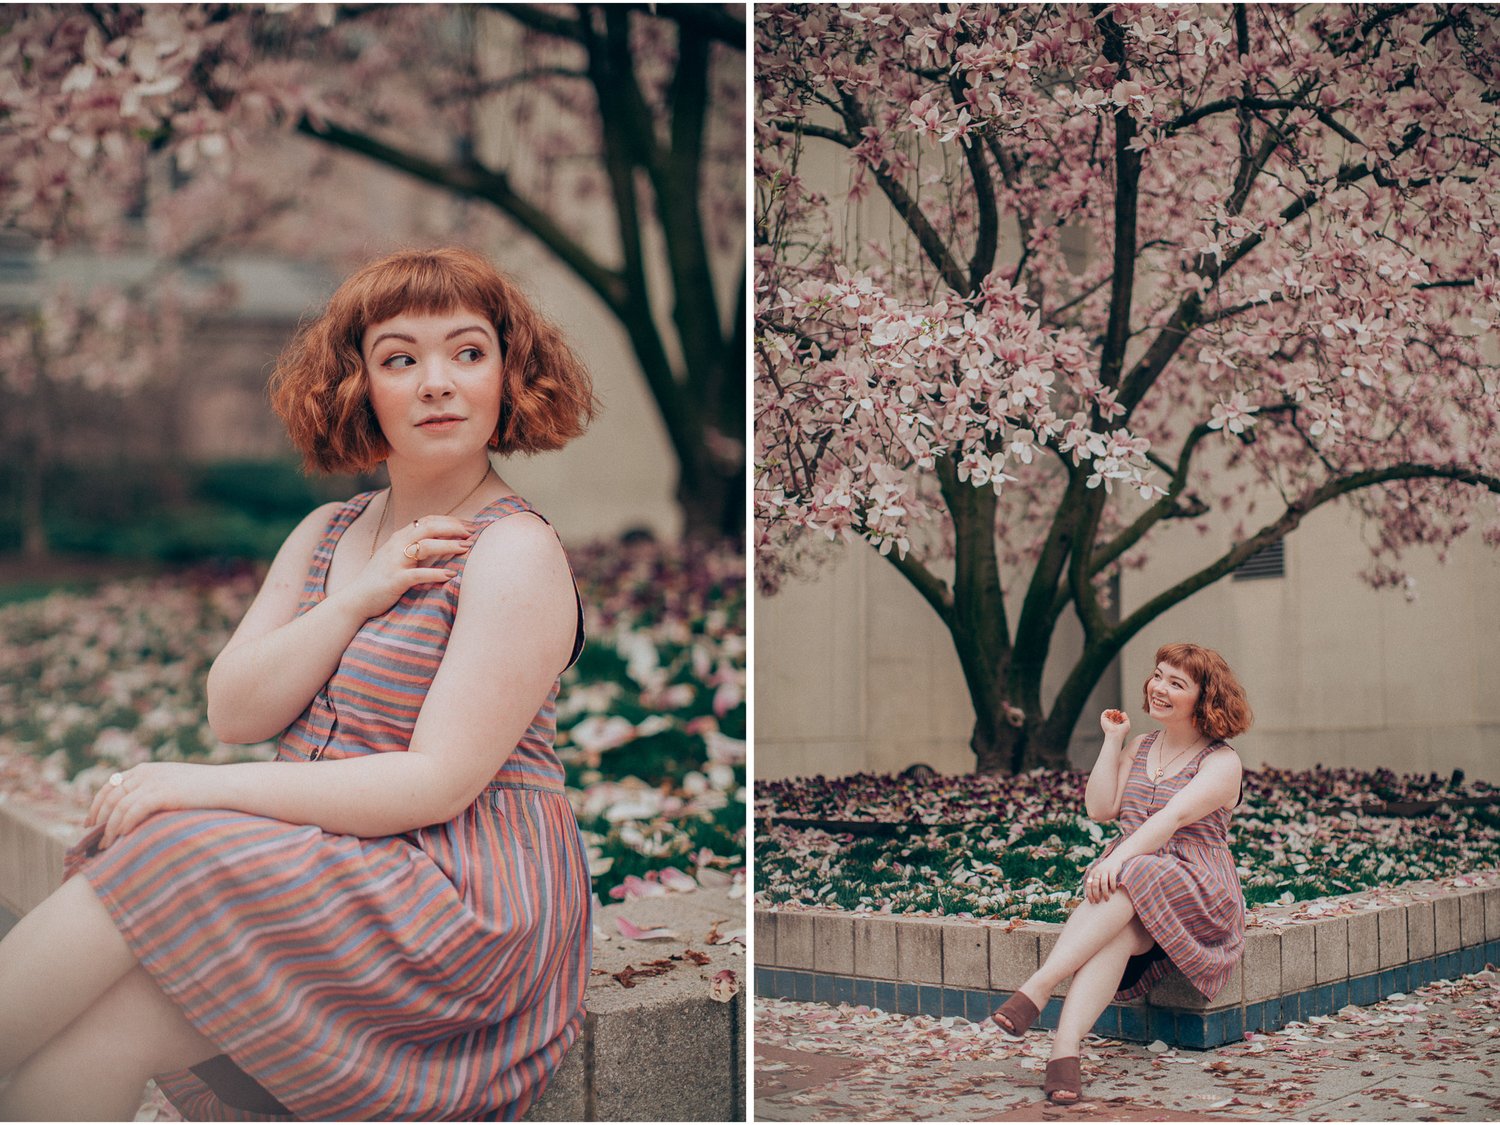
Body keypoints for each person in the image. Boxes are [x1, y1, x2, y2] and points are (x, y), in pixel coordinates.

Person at [0, 246, 597, 1121]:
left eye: (468, 352)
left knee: (167, 840)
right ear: (360, 386)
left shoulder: (515, 550)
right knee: (96, 1037)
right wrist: (358, 596)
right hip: (332, 867)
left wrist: (199, 788)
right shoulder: (328, 531)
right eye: (400, 358)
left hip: (457, 901)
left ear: (508, 374)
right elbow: (235, 708)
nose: (437, 382)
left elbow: (435, 782)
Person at [989, 642, 1251, 1105]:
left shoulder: (1221, 762)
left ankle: (1040, 986)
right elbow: (1100, 808)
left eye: (1176, 683)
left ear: (1205, 698)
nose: (1159, 688)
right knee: (1119, 936)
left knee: (1136, 869)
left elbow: (1171, 818)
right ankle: (1064, 1052)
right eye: (1158, 675)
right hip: (1136, 885)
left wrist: (1116, 860)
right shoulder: (1141, 746)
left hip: (1198, 888)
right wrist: (1112, 742)